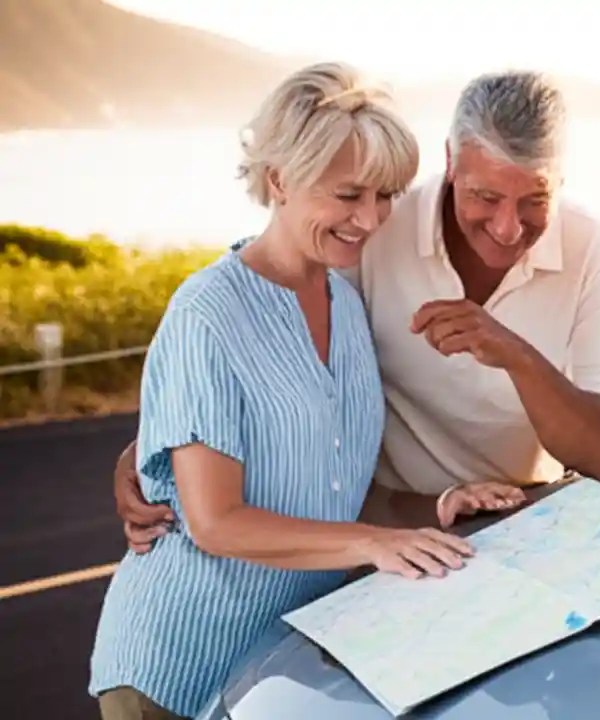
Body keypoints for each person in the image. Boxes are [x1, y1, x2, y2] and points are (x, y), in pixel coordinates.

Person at [88, 62, 480, 720]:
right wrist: (368, 544)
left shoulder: (346, 305)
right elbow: (215, 522)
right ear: (279, 180)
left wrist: (437, 505)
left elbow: (332, 488)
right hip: (177, 672)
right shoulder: (207, 312)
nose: (372, 218)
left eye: (385, 195)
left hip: (284, 670)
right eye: (349, 195)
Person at [114, 69, 600, 547]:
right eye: (484, 196)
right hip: (393, 524)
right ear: (451, 162)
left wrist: (514, 355)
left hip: (527, 520)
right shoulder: (377, 227)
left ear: (561, 182)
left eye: (534, 200)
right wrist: (166, 436)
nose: (508, 227)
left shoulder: (595, 249)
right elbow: (266, 323)